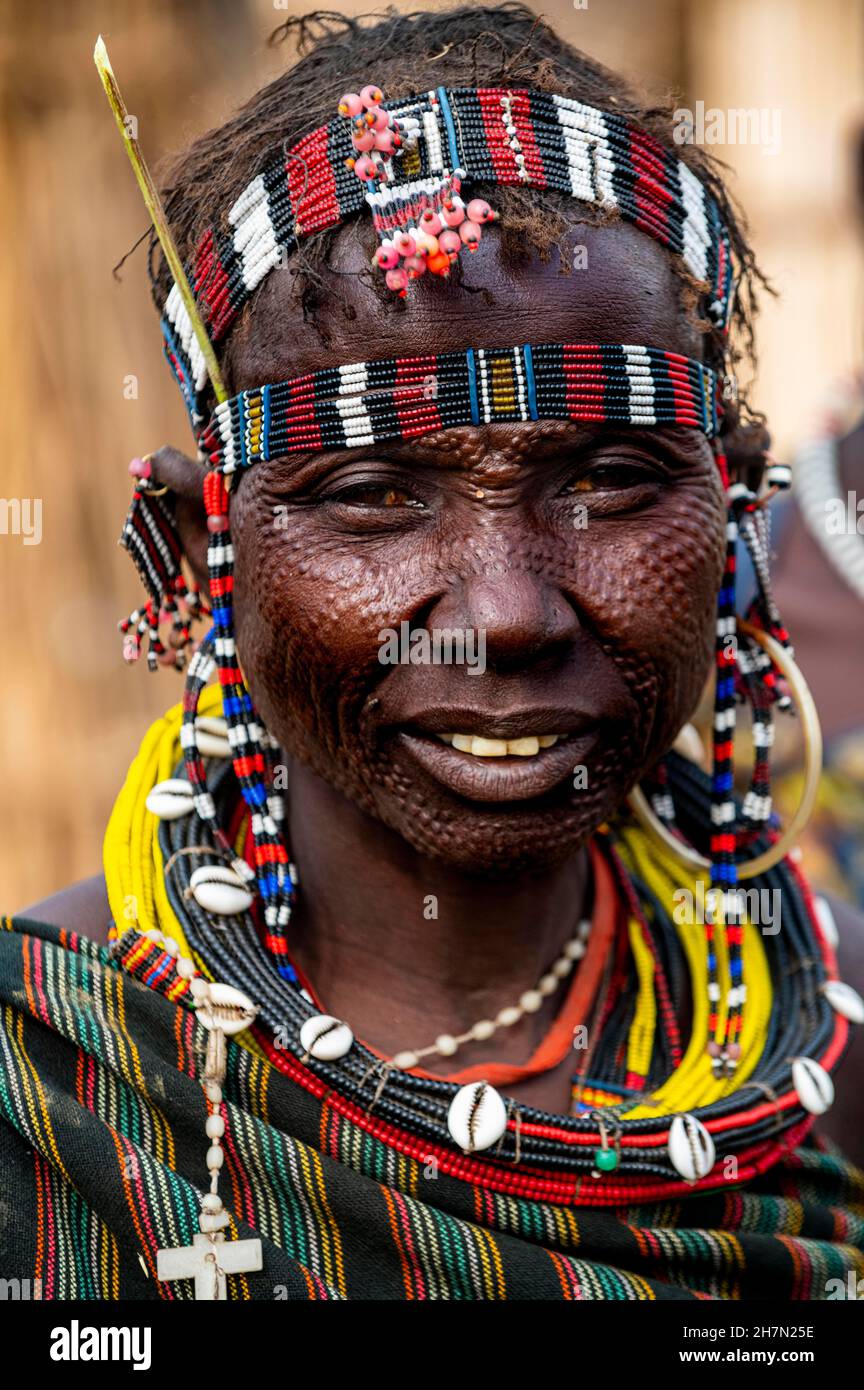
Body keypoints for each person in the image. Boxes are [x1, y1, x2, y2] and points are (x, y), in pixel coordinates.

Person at [2, 6, 863, 1301]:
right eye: (375, 494)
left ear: (736, 504)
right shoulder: (45, 1080)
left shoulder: (837, 1033)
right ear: (195, 549)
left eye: (609, 479)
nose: (509, 612)